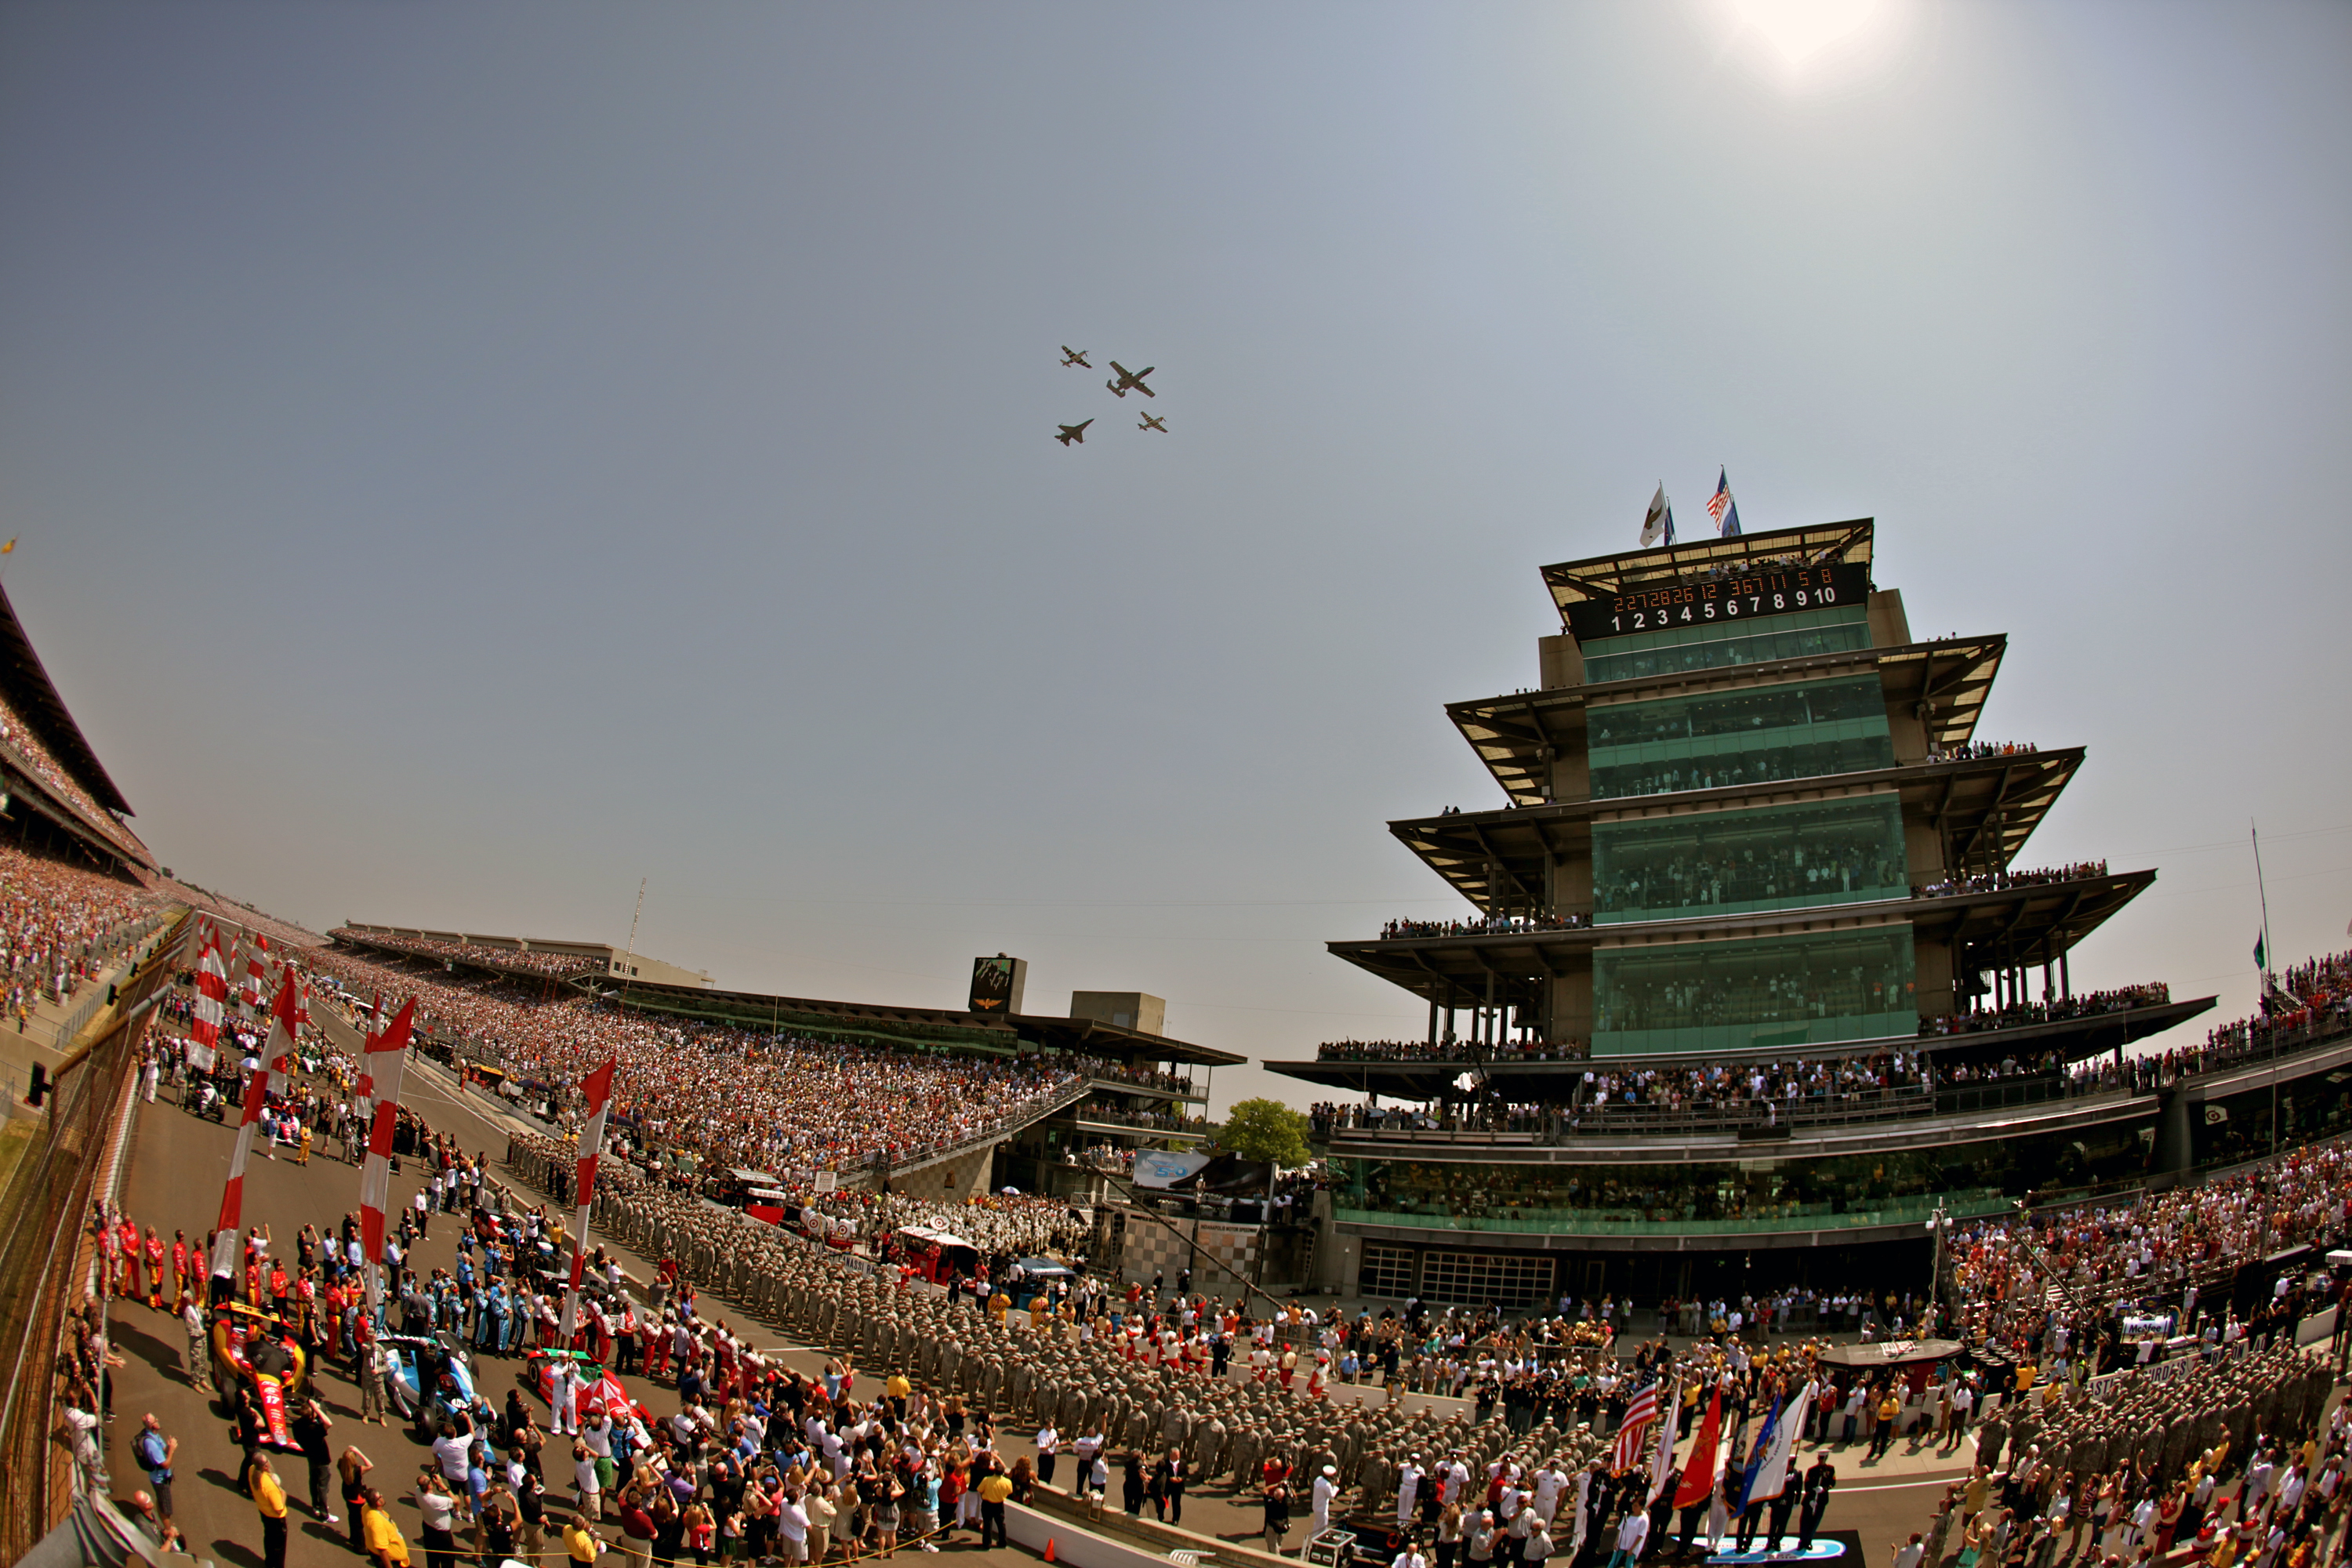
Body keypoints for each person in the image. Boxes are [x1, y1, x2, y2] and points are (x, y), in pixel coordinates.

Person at [131, 1414, 178, 1531]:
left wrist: (169, 1447)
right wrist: (172, 1450)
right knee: (166, 1510)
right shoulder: (150, 1443)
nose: (157, 1420)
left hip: (162, 1477)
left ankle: (162, 1521)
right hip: (160, 1480)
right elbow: (165, 1464)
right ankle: (167, 1531)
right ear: (150, 1425)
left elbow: (163, 1450)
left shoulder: (154, 1436)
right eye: (154, 1420)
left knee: (162, 1502)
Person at [250, 1450, 291, 1568]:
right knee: (279, 1547)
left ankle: (269, 1562)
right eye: (265, 1464)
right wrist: (283, 1495)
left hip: (264, 1512)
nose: (268, 1465)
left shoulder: (252, 1470)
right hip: (276, 1519)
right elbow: (279, 1509)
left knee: (269, 1538)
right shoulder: (269, 1486)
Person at [361, 1486, 412, 1568]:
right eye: (380, 1496)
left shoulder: (366, 1508)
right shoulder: (377, 1523)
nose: (382, 1496)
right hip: (390, 1562)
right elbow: (381, 1548)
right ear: (378, 1502)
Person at [978, 1462, 1014, 1551]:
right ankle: (1003, 1542)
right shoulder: (1007, 1482)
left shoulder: (987, 1480)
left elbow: (980, 1490)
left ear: (994, 1471)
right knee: (1001, 1524)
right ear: (1003, 1472)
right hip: (999, 1504)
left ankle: (986, 1544)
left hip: (987, 1504)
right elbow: (1009, 1492)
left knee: (987, 1524)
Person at [1264, 1477, 1294, 1556]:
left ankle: (1276, 1560)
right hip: (1282, 1525)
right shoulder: (1286, 1503)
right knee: (1278, 1543)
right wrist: (1289, 1487)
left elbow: (1265, 1490)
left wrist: (1276, 1485)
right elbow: (1293, 1497)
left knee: (1272, 1545)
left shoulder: (1270, 1502)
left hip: (1272, 1526)